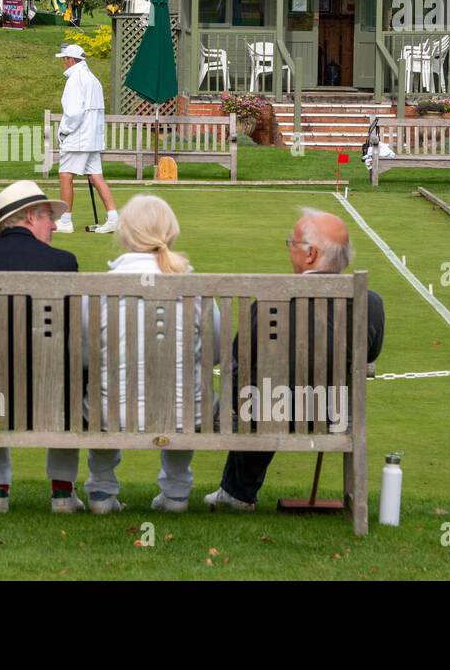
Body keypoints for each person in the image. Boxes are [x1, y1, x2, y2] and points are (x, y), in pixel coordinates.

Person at [205, 207, 385, 511]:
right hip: (333, 412)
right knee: (265, 394)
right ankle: (235, 491)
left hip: (268, 410)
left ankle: (236, 493)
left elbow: (238, 363)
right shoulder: (371, 302)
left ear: (311, 254)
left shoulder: (271, 300)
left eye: (293, 242)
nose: (289, 248)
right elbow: (370, 355)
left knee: (255, 395)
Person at [0, 180, 95, 514]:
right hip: (55, 399)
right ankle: (63, 494)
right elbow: (78, 337)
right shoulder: (64, 262)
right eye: (48, 218)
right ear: (29, 217)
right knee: (70, 380)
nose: (54, 225)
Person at [83, 195, 219, 514]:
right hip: (185, 412)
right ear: (170, 232)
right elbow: (214, 355)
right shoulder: (194, 286)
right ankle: (175, 493)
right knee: (187, 393)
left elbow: (85, 357)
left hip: (111, 410)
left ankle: (101, 491)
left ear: (126, 235)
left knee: (100, 390)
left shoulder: (100, 288)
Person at [53, 43, 118, 234]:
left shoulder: (75, 81)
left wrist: (63, 131)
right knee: (96, 176)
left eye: (64, 59)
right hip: (92, 138)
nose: (63, 63)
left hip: (78, 138)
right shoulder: (92, 79)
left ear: (71, 60)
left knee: (65, 175)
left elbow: (73, 113)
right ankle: (113, 218)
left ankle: (65, 221)